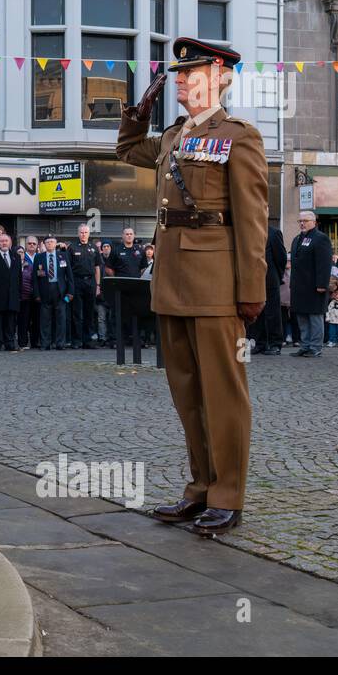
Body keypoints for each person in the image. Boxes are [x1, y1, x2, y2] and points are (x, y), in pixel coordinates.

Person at [116, 36, 268, 536]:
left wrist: (251, 289)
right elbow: (126, 150)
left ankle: (229, 496)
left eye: (190, 72)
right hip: (173, 281)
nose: (179, 80)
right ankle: (200, 489)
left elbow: (252, 219)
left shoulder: (239, 135)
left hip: (218, 283)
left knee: (224, 394)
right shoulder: (173, 135)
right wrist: (136, 114)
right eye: (177, 74)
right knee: (187, 393)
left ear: (219, 74)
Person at [289, 211, 333, 358]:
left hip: (314, 286)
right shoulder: (297, 239)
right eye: (300, 221)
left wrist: (322, 284)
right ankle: (305, 345)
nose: (302, 223)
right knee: (301, 317)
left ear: (314, 222)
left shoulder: (321, 239)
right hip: (299, 287)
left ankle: (315, 347)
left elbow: (324, 264)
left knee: (315, 317)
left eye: (305, 220)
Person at [249, 225, 287, 356]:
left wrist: (277, 275)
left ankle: (275, 343)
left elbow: (281, 258)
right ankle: (260, 343)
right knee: (257, 313)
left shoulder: (274, 233)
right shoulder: (250, 230)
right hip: (254, 279)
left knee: (273, 313)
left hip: (270, 279)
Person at [65, 224, 102, 348]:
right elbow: (68, 269)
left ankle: (88, 340)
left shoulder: (94, 248)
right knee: (77, 313)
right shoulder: (72, 248)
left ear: (89, 234)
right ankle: (77, 340)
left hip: (91, 282)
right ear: (78, 233)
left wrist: (97, 285)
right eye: (81, 232)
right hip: (77, 282)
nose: (83, 235)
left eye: (86, 232)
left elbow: (97, 268)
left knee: (89, 312)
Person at [33, 236, 73, 350]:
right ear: (44, 244)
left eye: (52, 242)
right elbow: (35, 278)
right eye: (47, 242)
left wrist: (70, 292)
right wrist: (36, 294)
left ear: (55, 244)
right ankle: (45, 343)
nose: (50, 244)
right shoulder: (39, 257)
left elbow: (69, 275)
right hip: (45, 290)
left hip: (60, 291)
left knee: (61, 319)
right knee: (45, 320)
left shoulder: (63, 256)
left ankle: (60, 343)